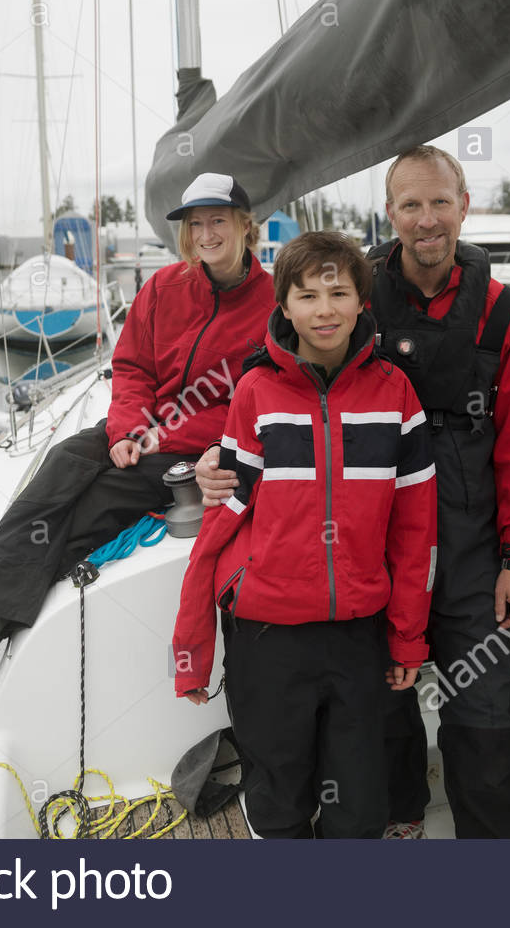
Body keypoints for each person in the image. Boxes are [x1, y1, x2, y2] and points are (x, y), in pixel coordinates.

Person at [197, 146, 510, 839]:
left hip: (474, 551)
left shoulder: (503, 314)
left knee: (482, 721)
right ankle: (400, 827)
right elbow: (279, 376)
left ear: (464, 206)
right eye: (410, 205)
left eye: (440, 202)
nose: (426, 219)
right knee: (384, 713)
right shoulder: (353, 289)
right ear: (389, 213)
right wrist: (218, 450)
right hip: (373, 546)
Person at [0, 173, 275, 682]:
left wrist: (163, 435)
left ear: (245, 225)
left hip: (200, 446)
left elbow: (255, 400)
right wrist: (128, 429)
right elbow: (132, 367)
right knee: (63, 461)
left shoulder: (273, 304)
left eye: (217, 220)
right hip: (141, 427)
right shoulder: (163, 288)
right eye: (195, 223)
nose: (205, 234)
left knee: (101, 496)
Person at [172, 231, 436, 839]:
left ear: (362, 302)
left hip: (357, 637)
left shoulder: (395, 394)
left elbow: (416, 530)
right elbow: (220, 524)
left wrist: (407, 639)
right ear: (283, 306)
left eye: (339, 292)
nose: (324, 310)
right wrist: (192, 651)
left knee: (359, 804)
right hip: (268, 637)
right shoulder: (257, 393)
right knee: (278, 795)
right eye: (307, 295)